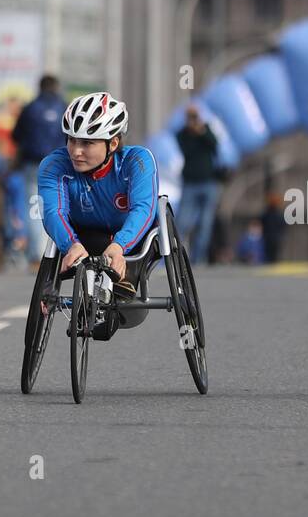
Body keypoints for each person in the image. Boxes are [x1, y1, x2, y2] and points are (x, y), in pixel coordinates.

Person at [37, 92, 158, 337]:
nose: (76, 151)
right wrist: (70, 245)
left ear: (112, 143)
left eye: (88, 143)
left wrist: (120, 245)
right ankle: (94, 292)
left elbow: (143, 208)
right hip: (86, 238)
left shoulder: (138, 160)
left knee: (138, 242)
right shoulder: (54, 165)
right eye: (72, 140)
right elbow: (53, 211)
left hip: (135, 241)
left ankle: (122, 285)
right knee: (82, 243)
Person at [12, 75, 68, 264]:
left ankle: (37, 255)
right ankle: (57, 253)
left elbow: (16, 135)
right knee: (57, 206)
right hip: (59, 164)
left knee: (34, 208)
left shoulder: (30, 109)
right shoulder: (64, 107)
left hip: (33, 164)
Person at [175, 104, 220, 265]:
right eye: (190, 117)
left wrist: (202, 131)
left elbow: (214, 145)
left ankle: (198, 260)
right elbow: (187, 151)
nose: (193, 120)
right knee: (182, 222)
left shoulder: (206, 130)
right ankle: (176, 258)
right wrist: (192, 133)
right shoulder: (182, 134)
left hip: (208, 183)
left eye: (195, 116)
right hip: (190, 184)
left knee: (205, 224)